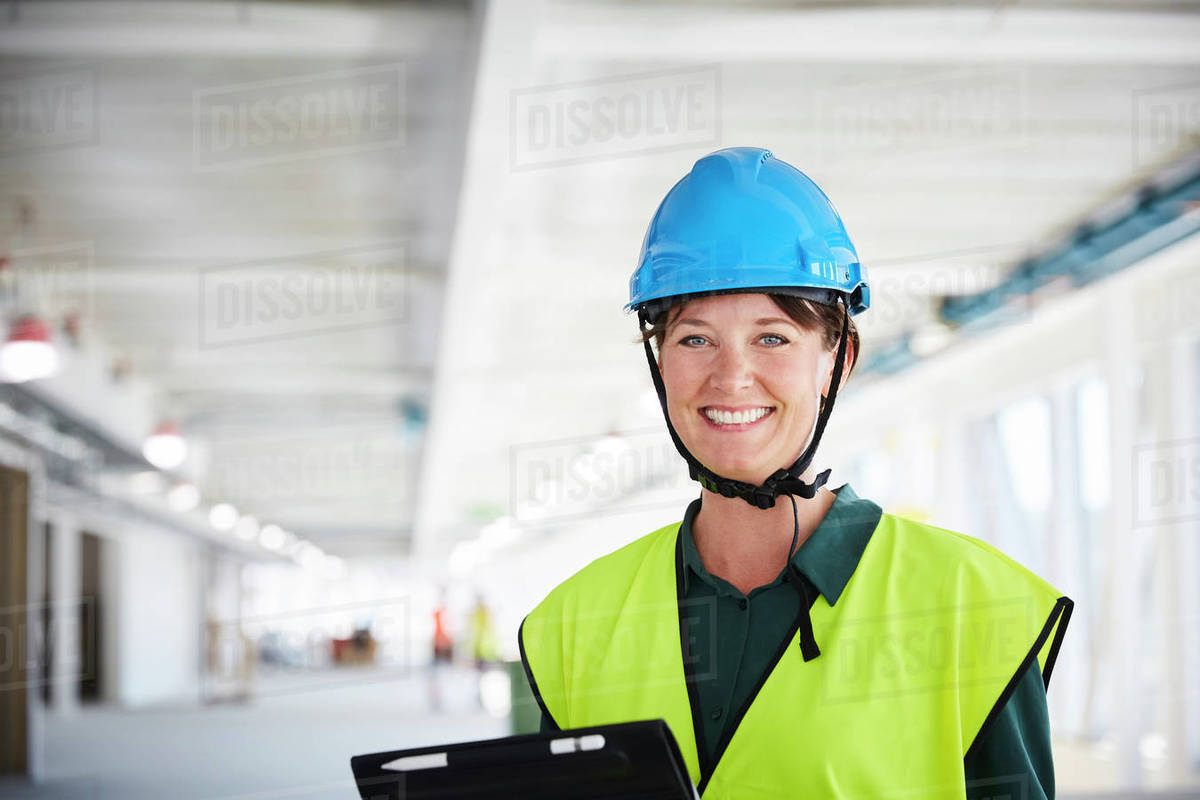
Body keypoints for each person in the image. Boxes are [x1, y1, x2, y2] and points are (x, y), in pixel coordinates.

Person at [518, 147, 1073, 799]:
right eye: (695, 338)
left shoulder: (975, 610)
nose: (730, 377)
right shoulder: (574, 625)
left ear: (836, 361)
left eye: (773, 337)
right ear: (659, 362)